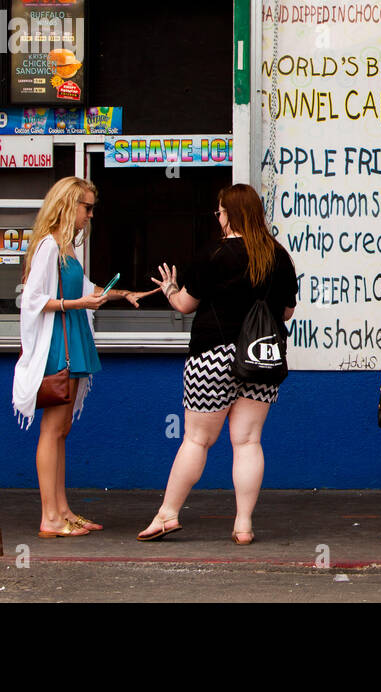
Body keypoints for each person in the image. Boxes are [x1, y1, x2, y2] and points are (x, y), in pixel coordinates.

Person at [138, 184, 297, 545]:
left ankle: (168, 514)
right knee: (248, 441)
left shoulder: (213, 254)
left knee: (196, 439)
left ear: (229, 215)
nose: (218, 217)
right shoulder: (278, 255)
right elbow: (287, 311)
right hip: (262, 357)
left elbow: (184, 305)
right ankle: (243, 525)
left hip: (213, 356)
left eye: (219, 212)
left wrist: (168, 288)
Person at [13, 176, 132, 538]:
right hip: (58, 346)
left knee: (60, 431)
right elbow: (32, 300)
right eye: (87, 207)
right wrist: (78, 304)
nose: (90, 215)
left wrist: (124, 293)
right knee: (52, 431)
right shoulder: (50, 246)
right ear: (69, 205)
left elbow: (87, 289)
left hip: (69, 340)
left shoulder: (65, 248)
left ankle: (61, 510)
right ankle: (50, 517)